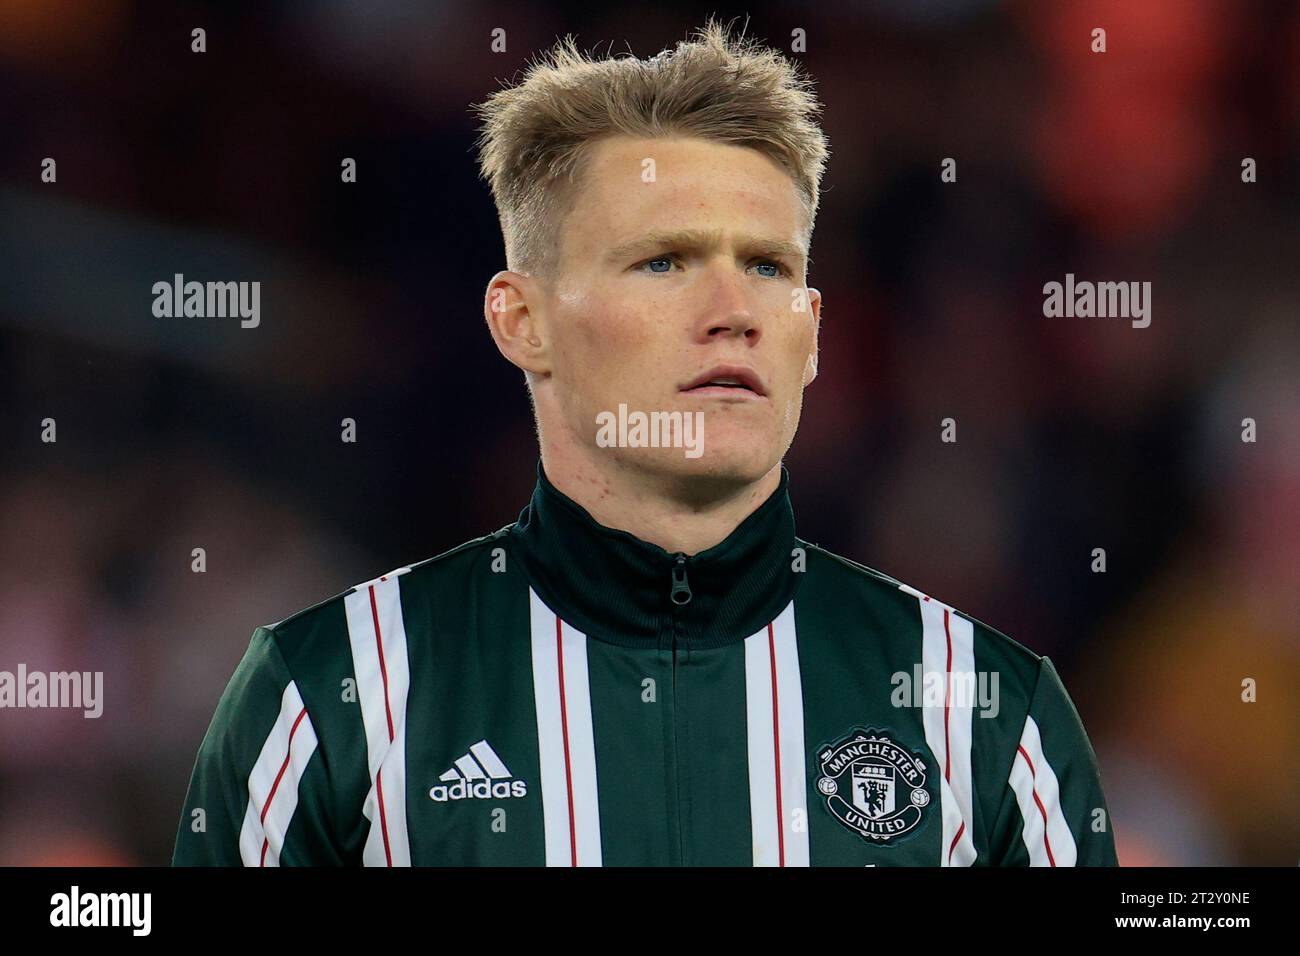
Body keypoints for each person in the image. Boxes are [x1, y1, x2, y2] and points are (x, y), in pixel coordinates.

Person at [173, 19, 1117, 866]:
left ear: (814, 329)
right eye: (663, 261)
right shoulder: (329, 696)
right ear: (523, 321)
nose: (732, 311)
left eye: (766, 265)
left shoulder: (987, 710)